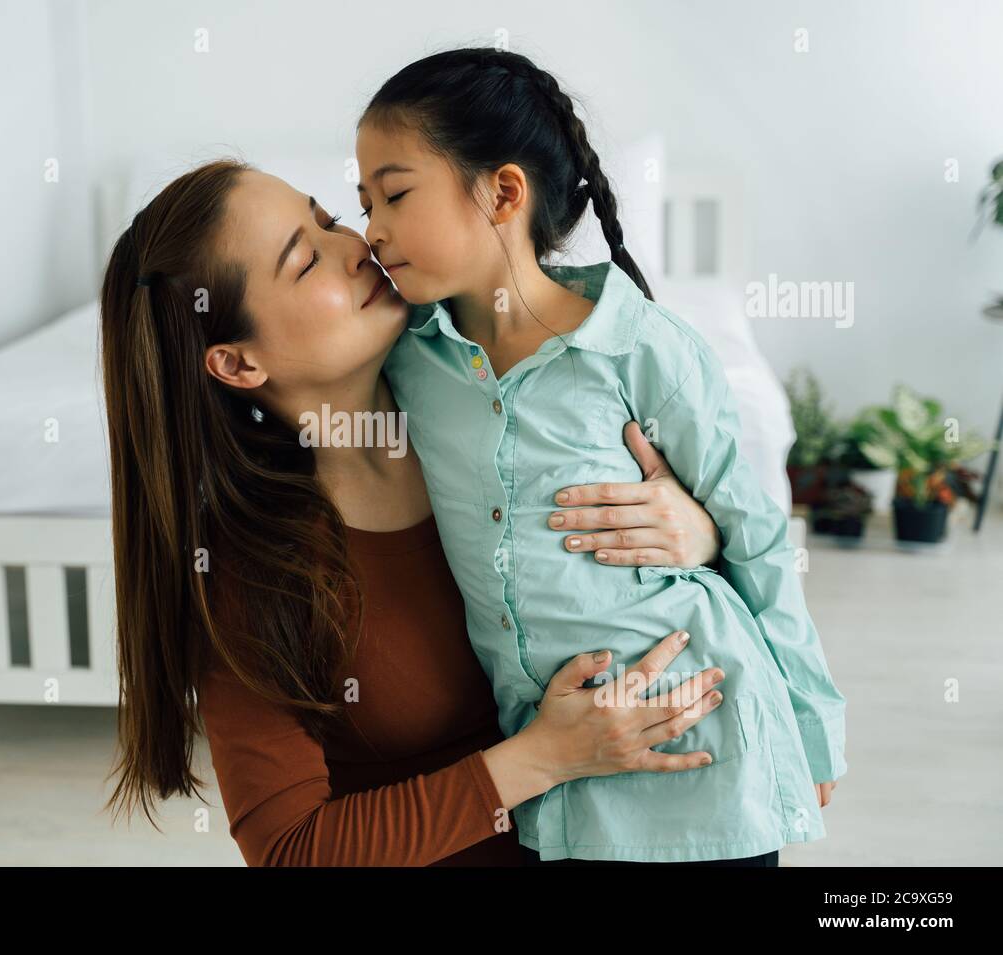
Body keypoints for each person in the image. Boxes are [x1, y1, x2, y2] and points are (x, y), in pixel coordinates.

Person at [99, 158, 730, 865]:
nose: (358, 245)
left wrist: (702, 531)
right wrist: (543, 758)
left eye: (330, 218)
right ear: (239, 364)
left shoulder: (494, 389)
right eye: (307, 262)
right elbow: (289, 850)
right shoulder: (253, 571)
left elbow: (723, 516)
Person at [355, 47, 847, 864]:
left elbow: (753, 529)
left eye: (396, 195)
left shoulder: (642, 349)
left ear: (502, 192)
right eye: (363, 201)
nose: (372, 229)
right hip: (560, 767)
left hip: (705, 737)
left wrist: (814, 718)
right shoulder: (407, 360)